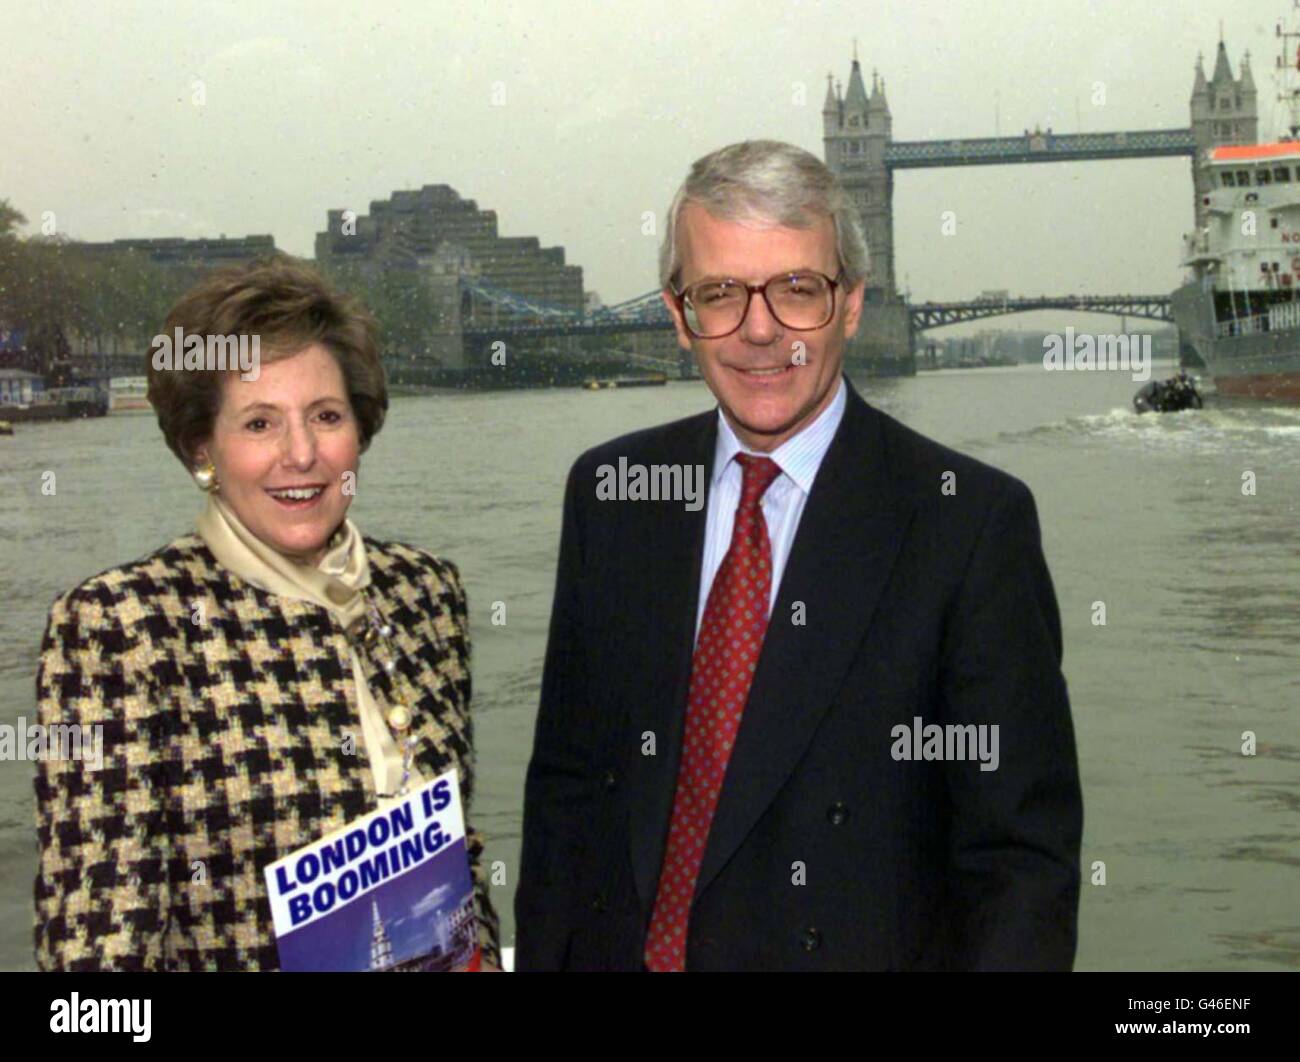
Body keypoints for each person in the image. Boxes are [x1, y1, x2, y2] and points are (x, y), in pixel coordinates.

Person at [516, 139, 1083, 971]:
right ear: (678, 316)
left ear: (852, 303)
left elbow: (1019, 865)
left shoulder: (970, 525)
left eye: (796, 290)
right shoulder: (610, 493)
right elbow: (565, 793)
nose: (759, 331)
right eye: (719, 294)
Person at [33, 256, 500, 970]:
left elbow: (458, 858)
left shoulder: (424, 592)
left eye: (325, 416)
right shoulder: (123, 627)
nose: (302, 454)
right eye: (259, 423)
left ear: (360, 430)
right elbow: (99, 960)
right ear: (202, 451)